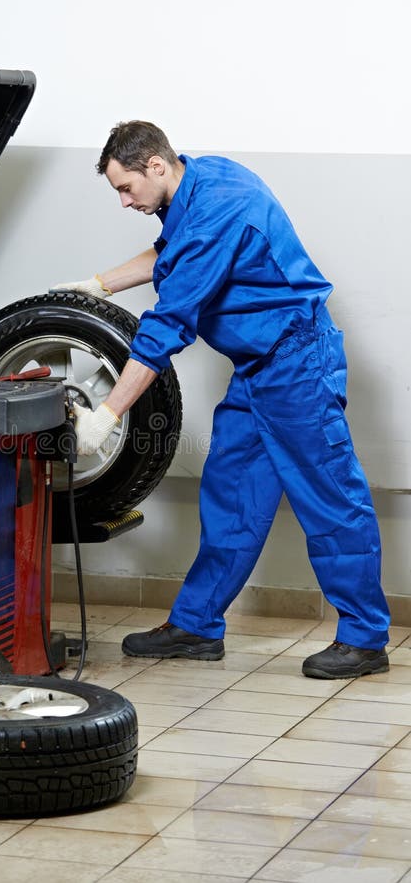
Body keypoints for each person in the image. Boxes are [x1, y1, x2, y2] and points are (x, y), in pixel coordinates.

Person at [52, 120, 390, 680]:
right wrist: (99, 285)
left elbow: (168, 325)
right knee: (231, 496)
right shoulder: (203, 176)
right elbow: (170, 252)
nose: (123, 201)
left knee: (330, 496)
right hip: (258, 368)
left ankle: (364, 637)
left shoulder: (218, 210)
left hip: (297, 364)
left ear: (155, 165)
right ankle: (197, 625)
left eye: (126, 188)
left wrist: (107, 416)